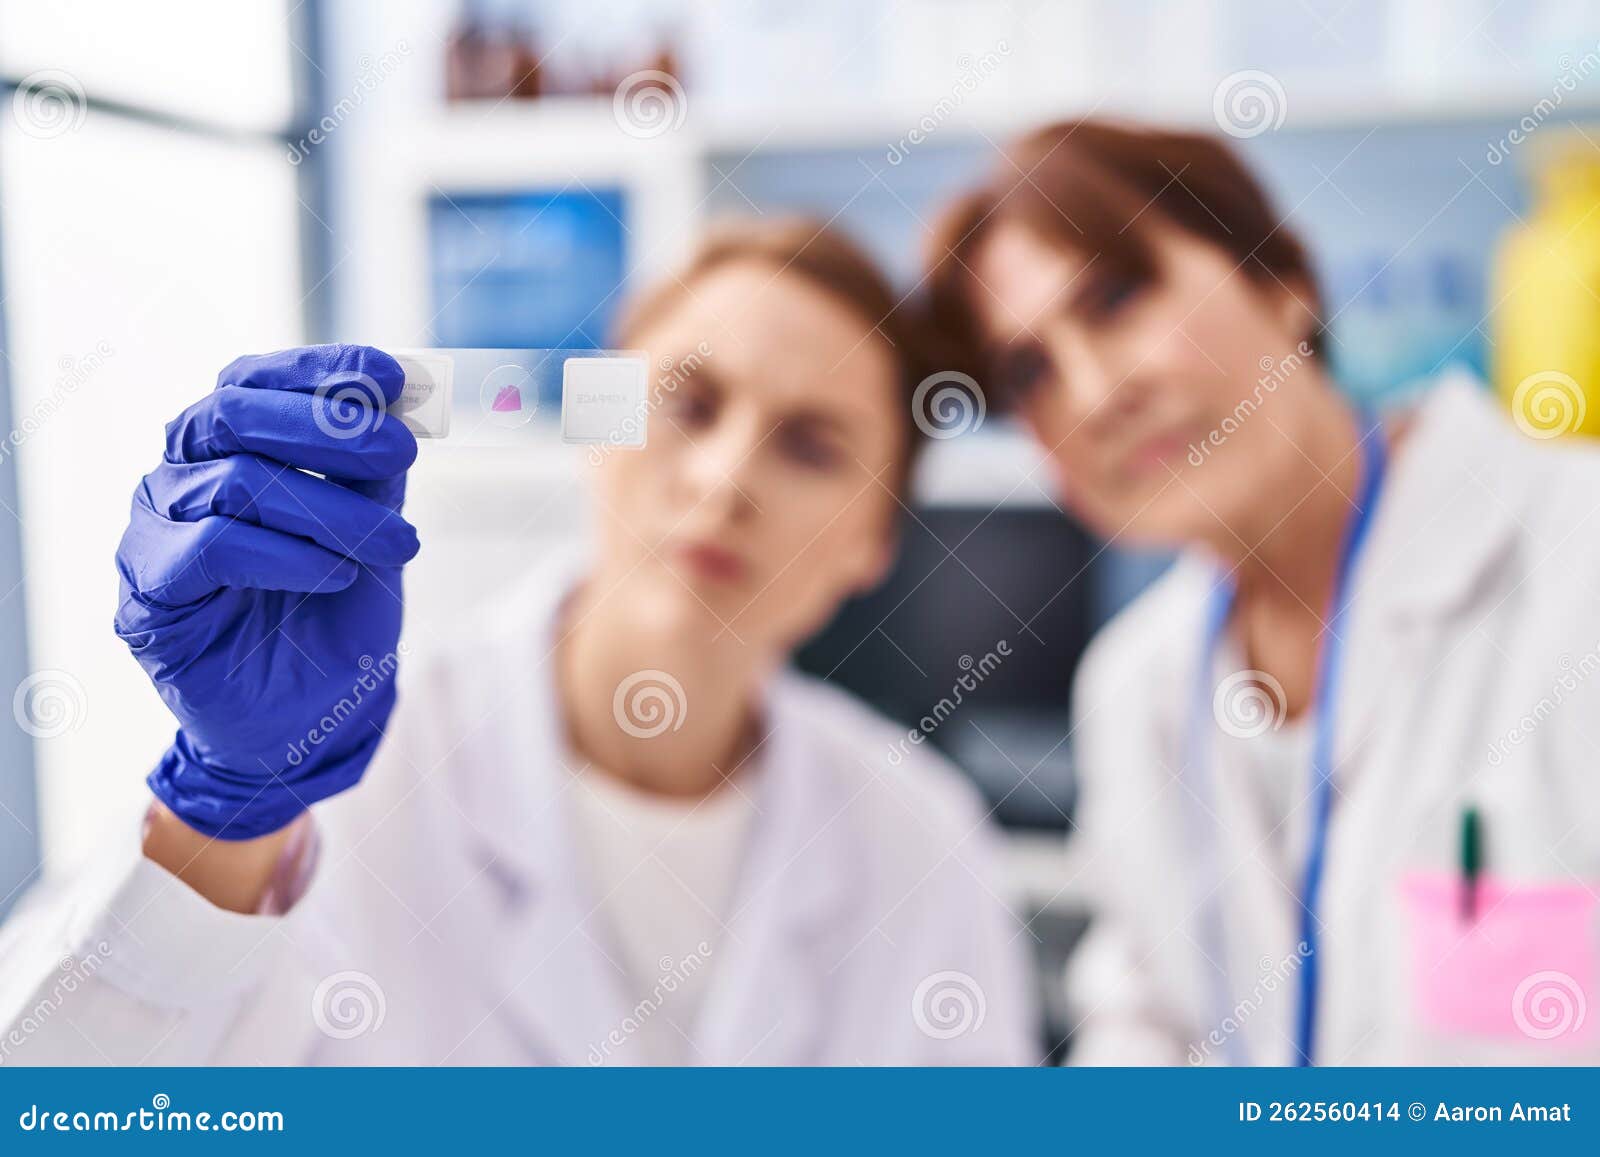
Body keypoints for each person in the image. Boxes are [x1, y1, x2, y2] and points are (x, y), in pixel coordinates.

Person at [0, 221, 1037, 1066]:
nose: (725, 480)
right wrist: (222, 805)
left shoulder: (922, 841)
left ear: (875, 537)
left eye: (811, 447)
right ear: (599, 427)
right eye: (690, 403)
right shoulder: (350, 764)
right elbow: (57, 1099)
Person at [926, 119, 1600, 1065]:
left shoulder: (1575, 558)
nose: (1092, 391)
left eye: (1118, 298)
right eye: (1029, 371)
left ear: (1283, 284)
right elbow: (1147, 1014)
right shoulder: (1139, 686)